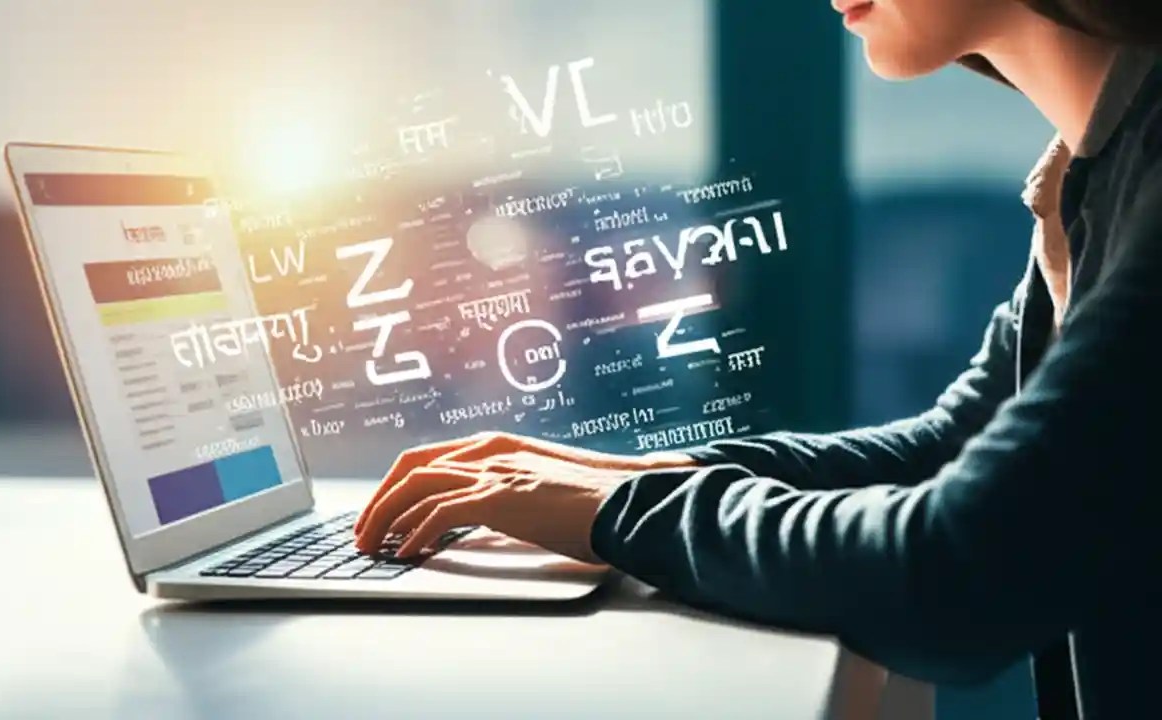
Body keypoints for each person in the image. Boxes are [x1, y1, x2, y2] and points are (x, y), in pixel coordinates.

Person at [354, 2, 1162, 718]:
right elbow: (945, 453)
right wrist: (622, 480)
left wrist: (621, 515)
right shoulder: (1093, 173)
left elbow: (959, 571)